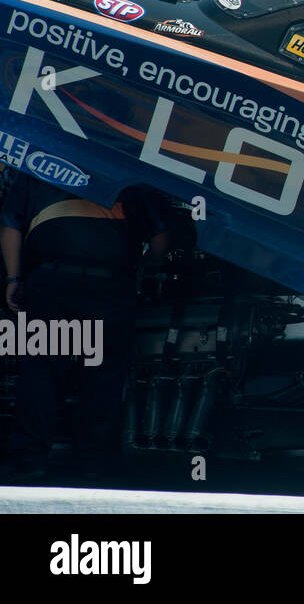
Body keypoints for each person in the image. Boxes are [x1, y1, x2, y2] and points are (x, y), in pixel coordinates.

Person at [0, 176, 168, 483]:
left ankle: (29, 462)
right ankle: (95, 465)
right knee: (102, 377)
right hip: (109, 288)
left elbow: (10, 224)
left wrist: (13, 279)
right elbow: (160, 239)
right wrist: (146, 271)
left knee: (42, 373)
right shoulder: (126, 169)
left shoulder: (38, 166)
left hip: (52, 283)